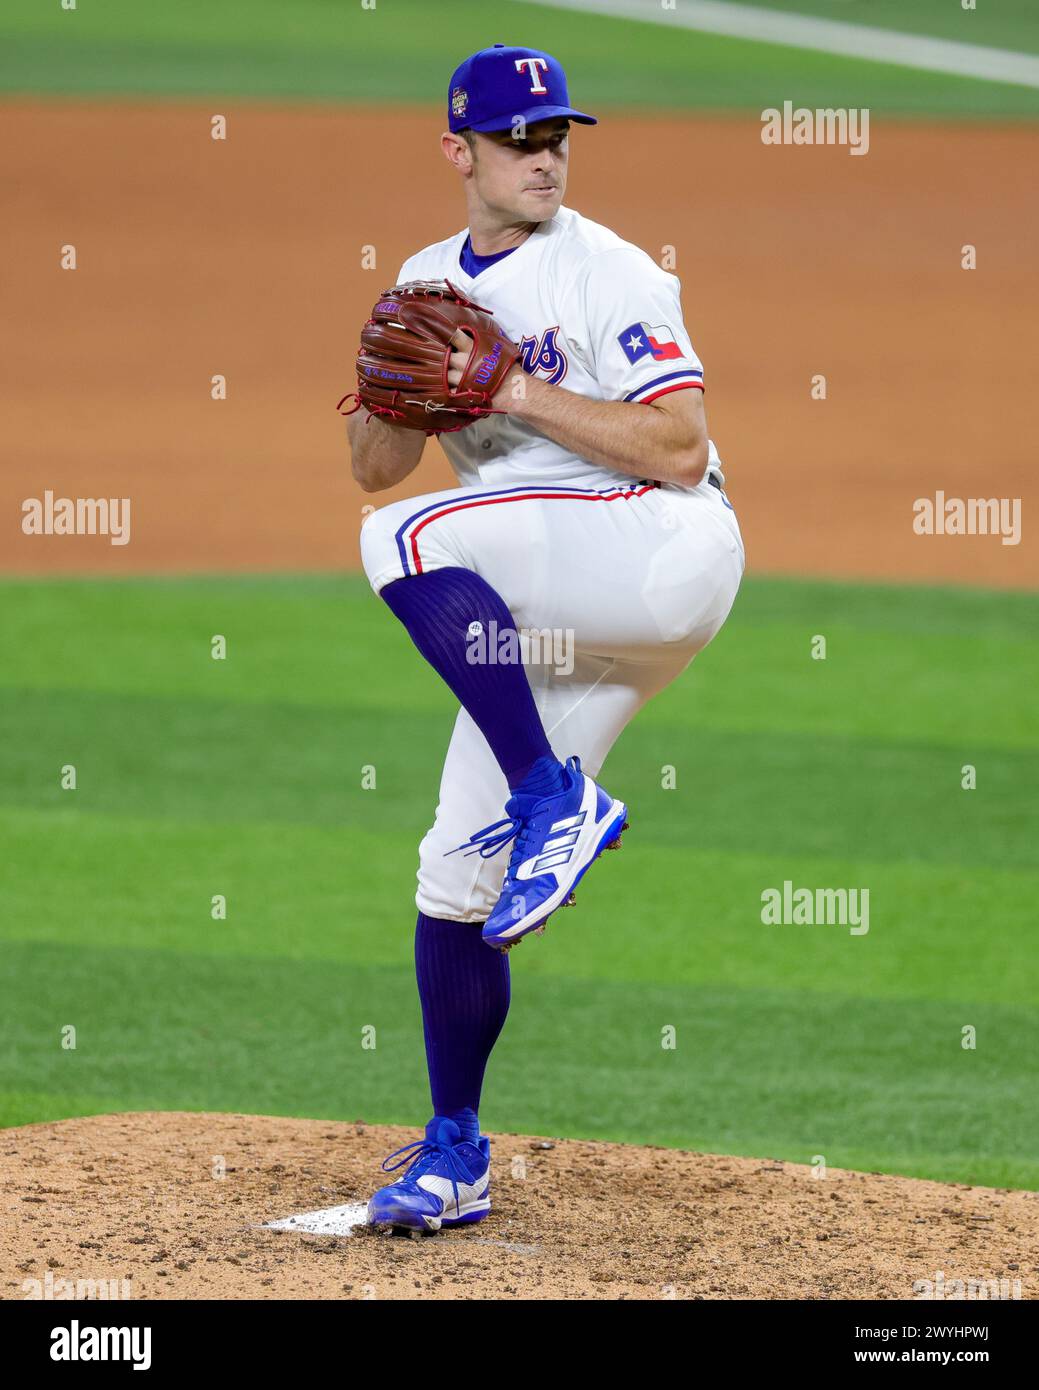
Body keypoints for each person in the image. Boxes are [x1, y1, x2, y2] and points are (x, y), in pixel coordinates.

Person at [347, 44, 745, 1233]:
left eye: (558, 136)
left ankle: (547, 796)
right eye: (520, 138)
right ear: (457, 149)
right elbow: (373, 467)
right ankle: (457, 1153)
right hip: (559, 614)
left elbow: (679, 445)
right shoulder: (426, 277)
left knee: (408, 543)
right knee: (453, 882)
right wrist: (391, 390)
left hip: (661, 550)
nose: (545, 157)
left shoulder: (610, 271)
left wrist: (510, 390)